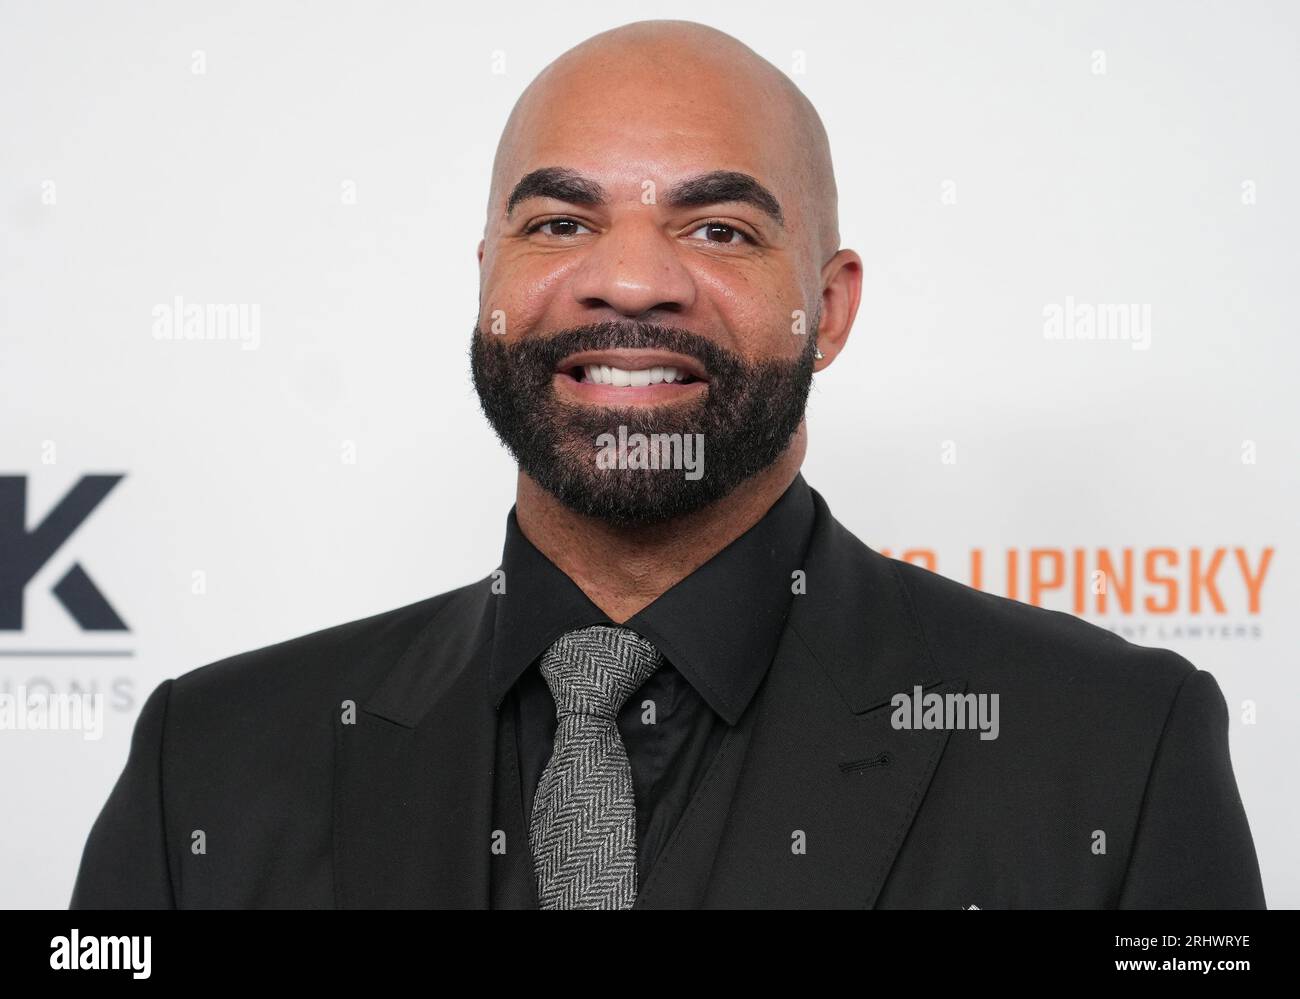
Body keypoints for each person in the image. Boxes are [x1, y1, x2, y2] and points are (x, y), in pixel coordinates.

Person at [70, 19, 1265, 909]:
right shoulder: (210, 766)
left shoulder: (1113, 752)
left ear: (829, 310)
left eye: (719, 230)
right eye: (560, 223)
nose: (631, 279)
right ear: (485, 280)